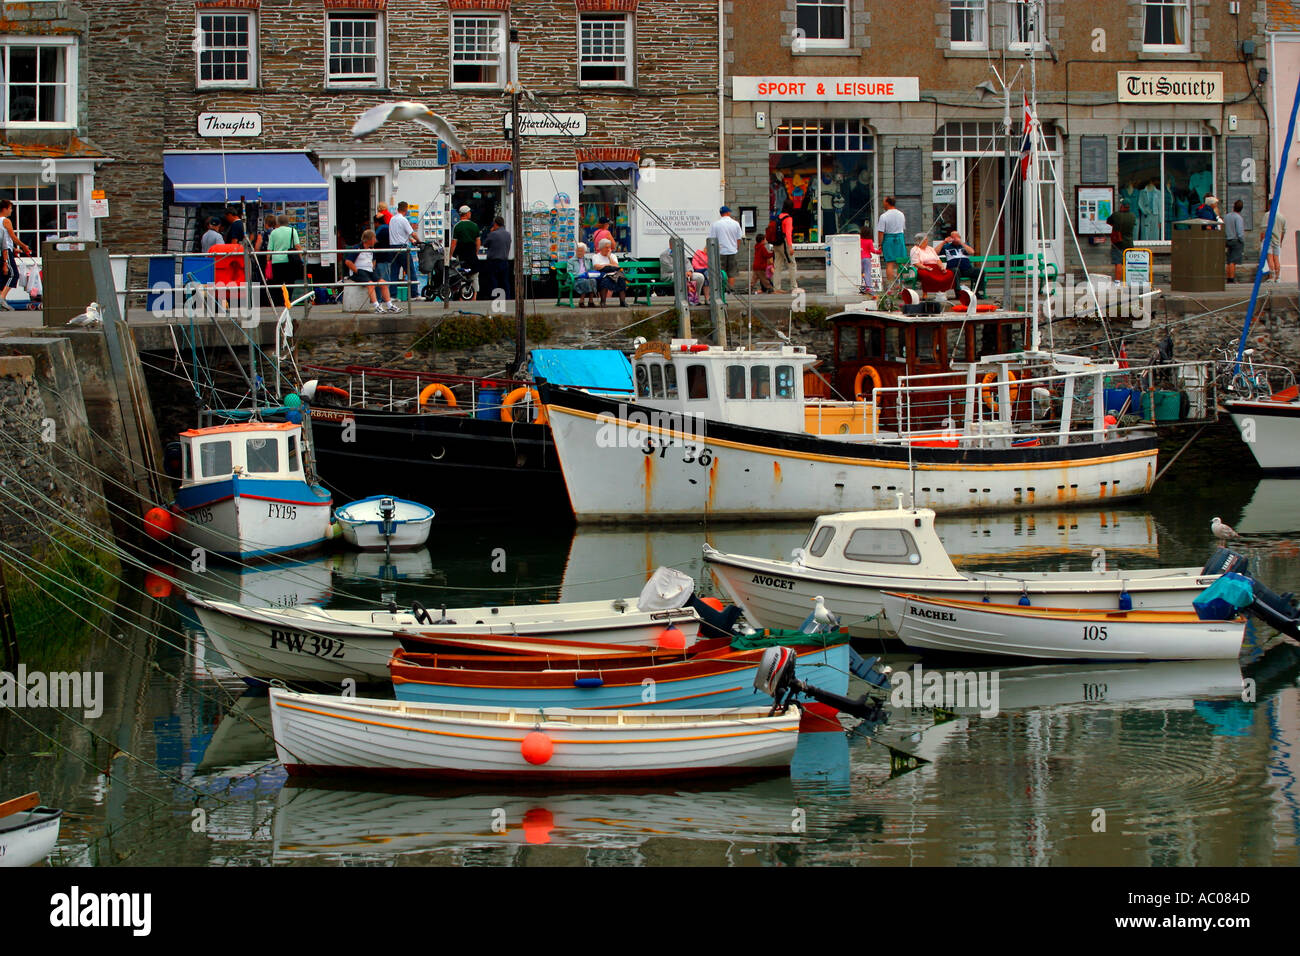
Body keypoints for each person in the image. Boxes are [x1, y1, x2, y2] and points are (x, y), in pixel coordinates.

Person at [345, 228, 400, 314]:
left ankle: (389, 305)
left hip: (369, 271)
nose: (375, 240)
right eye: (374, 238)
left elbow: (374, 260)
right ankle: (376, 306)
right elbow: (348, 261)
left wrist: (372, 268)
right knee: (371, 284)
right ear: (369, 239)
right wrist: (356, 271)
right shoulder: (357, 248)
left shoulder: (372, 249)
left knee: (384, 283)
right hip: (359, 271)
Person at [0, 199, 32, 311]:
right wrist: (23, 246)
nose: (11, 211)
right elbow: (12, 237)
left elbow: (3, 239)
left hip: (4, 250)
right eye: (10, 208)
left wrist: (13, 249)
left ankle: (2, 300)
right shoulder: (6, 221)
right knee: (14, 274)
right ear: (5, 209)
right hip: (5, 251)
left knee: (4, 276)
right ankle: (2, 298)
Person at [708, 206, 743, 291]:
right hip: (732, 250)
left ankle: (721, 289)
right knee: (731, 272)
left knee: (720, 272)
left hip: (720, 251)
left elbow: (712, 239)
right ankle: (730, 289)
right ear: (728, 213)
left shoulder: (715, 224)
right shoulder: (735, 223)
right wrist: (736, 248)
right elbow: (739, 238)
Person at [448, 205, 480, 293]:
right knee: (474, 277)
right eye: (470, 212)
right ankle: (474, 297)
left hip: (461, 255)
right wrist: (476, 253)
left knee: (462, 276)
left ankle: (463, 295)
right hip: (472, 255)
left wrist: (450, 256)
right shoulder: (474, 226)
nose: (470, 214)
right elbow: (478, 242)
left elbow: (454, 243)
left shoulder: (457, 226)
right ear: (466, 214)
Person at [268, 213, 305, 288]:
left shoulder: (273, 232)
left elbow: (269, 250)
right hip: (290, 261)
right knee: (290, 283)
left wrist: (267, 260)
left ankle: (280, 299)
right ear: (287, 222)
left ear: (278, 222)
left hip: (276, 262)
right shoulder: (292, 231)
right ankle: (288, 299)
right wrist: (301, 259)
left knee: (278, 285)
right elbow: (297, 246)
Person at [876, 196, 907, 286]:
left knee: (890, 263)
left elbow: (881, 232)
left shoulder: (884, 216)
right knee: (900, 262)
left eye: (884, 202)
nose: (883, 204)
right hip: (900, 238)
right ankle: (900, 284)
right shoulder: (901, 214)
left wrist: (880, 243)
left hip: (889, 238)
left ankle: (890, 284)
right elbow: (903, 228)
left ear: (887, 203)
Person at [481, 215, 513, 300]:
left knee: (493, 280)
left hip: (493, 261)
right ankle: (507, 297)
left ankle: (495, 297)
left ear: (495, 224)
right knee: (505, 281)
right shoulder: (508, 234)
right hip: (504, 260)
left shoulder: (493, 234)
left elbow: (485, 244)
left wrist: (490, 233)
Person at [769, 201, 798, 293]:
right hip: (784, 243)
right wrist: (790, 247)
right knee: (792, 264)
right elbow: (788, 233)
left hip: (776, 244)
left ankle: (776, 288)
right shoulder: (788, 218)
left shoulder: (778, 217)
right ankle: (794, 287)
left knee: (777, 265)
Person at [387, 201, 415, 294]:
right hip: (402, 248)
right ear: (406, 209)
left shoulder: (392, 219)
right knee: (410, 271)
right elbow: (412, 233)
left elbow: (400, 234)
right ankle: (414, 293)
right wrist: (418, 240)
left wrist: (410, 239)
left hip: (392, 248)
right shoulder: (403, 220)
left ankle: (393, 294)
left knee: (394, 272)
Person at [592, 237, 628, 307]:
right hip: (603, 274)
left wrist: (609, 257)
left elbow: (616, 266)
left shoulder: (613, 256)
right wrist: (607, 265)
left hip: (614, 273)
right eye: (606, 247)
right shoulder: (596, 256)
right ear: (601, 248)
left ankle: (622, 301)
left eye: (609, 247)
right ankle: (603, 302)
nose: (609, 249)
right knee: (605, 281)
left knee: (621, 280)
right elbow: (597, 267)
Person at [1106, 199, 1136, 281]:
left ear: (1122, 205)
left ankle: (1118, 281)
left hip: (1118, 242)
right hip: (1129, 243)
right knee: (1128, 263)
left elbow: (1108, 221)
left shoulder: (1116, 215)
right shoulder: (1132, 216)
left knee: (1118, 262)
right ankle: (1129, 280)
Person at [1262, 202, 1286, 281]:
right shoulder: (1282, 217)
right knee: (1276, 258)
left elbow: (1264, 229)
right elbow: (1283, 231)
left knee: (1270, 258)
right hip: (1277, 240)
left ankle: (1272, 276)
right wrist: (1280, 242)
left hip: (1269, 240)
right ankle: (1278, 277)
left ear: (1269, 205)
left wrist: (1262, 240)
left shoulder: (1267, 215)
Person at [567, 242, 597, 307]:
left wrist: (590, 274)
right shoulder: (571, 261)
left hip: (586, 278)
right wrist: (579, 275)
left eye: (581, 251)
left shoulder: (587, 260)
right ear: (575, 251)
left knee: (593, 280)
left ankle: (591, 300)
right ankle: (581, 300)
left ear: (584, 252)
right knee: (585, 281)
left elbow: (591, 270)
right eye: (578, 251)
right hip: (575, 279)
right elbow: (570, 272)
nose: (579, 253)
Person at [1225, 199, 1245, 283]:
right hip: (1236, 240)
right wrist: (1242, 240)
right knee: (1233, 261)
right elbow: (1240, 232)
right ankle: (1231, 279)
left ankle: (1228, 277)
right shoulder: (1238, 218)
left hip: (1227, 240)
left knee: (1229, 261)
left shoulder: (1227, 216)